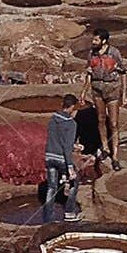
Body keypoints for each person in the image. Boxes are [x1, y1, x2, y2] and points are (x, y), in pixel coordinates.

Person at [83, 27, 127, 169]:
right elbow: (89, 73)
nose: (93, 41)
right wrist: (83, 92)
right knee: (101, 119)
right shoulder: (92, 54)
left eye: (96, 39)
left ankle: (115, 156)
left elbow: (123, 73)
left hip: (112, 90)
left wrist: (124, 93)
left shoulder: (114, 53)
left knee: (113, 123)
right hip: (97, 90)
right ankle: (105, 148)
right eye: (93, 39)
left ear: (104, 41)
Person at [43, 93, 81, 222]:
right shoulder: (71, 124)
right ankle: (69, 212)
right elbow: (67, 146)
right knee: (74, 182)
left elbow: (54, 138)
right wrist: (70, 167)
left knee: (51, 187)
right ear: (72, 107)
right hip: (61, 158)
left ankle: (48, 217)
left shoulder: (53, 118)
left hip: (49, 156)